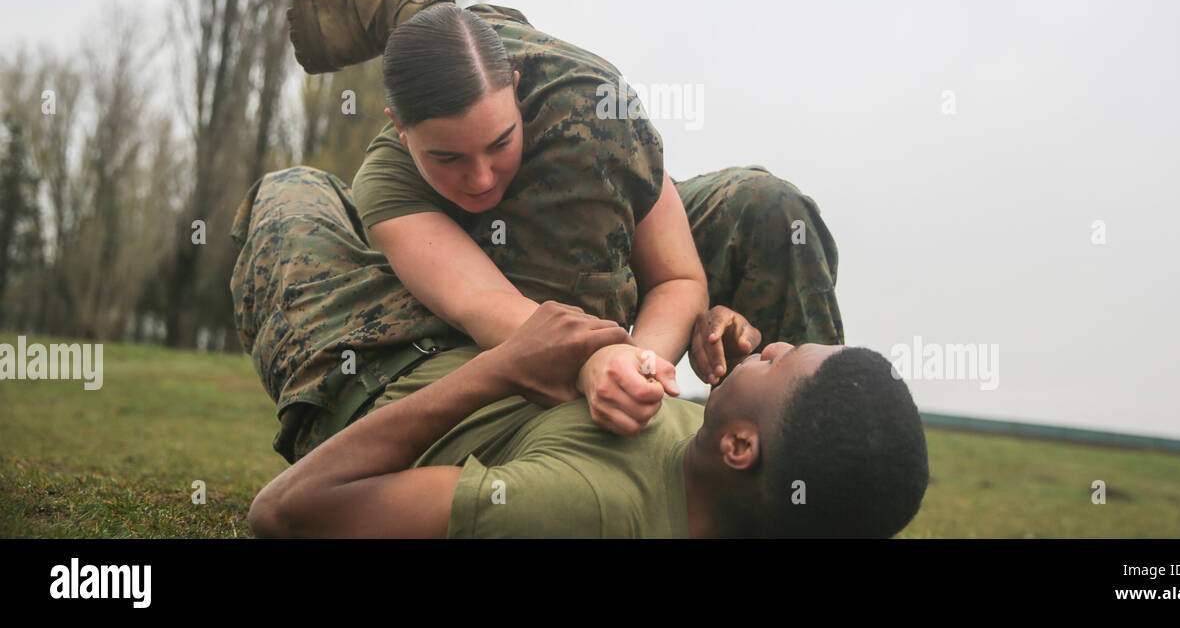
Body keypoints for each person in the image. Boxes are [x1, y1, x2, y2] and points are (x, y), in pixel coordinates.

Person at [232, 0, 844, 463]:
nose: (478, 177)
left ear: (519, 90)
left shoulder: (593, 118)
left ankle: (825, 466)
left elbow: (678, 275)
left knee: (769, 207)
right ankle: (371, 4)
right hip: (497, 295)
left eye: (499, 144)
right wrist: (598, 362)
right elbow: (489, 309)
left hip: (598, 201)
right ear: (400, 131)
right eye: (447, 158)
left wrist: (646, 361)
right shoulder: (388, 184)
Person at [247, 302, 930, 538]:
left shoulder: (579, 510)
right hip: (436, 336)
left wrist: (505, 365)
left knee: (289, 192)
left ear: (741, 448)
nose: (772, 343)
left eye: (781, 362)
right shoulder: (705, 475)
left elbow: (285, 511)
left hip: (356, 370)